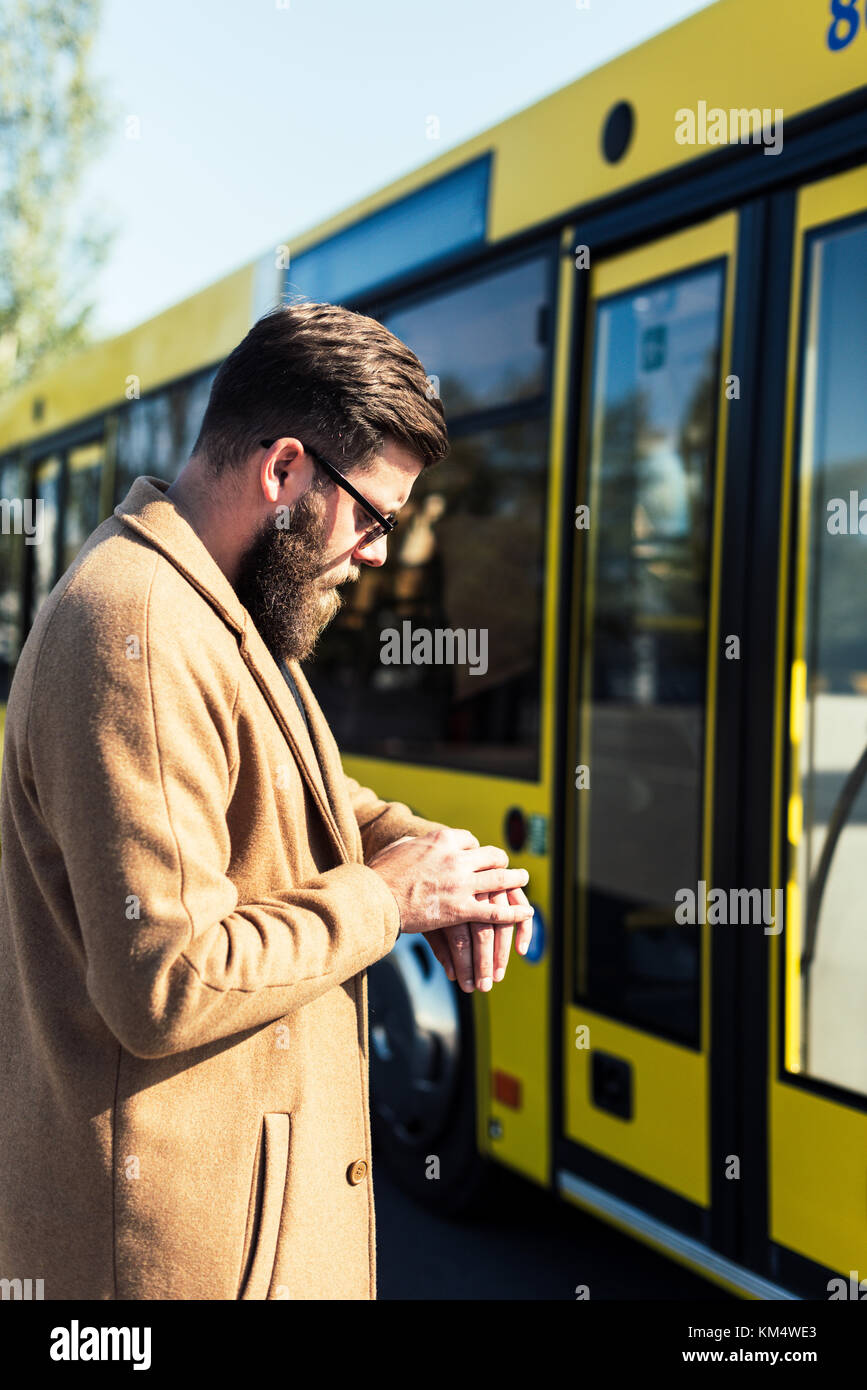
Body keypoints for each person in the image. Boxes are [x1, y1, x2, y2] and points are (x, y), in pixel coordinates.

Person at [0, 301, 533, 1301]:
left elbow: (309, 795)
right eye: (374, 516)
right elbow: (167, 980)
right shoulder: (141, 631)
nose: (379, 553)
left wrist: (441, 863)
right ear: (285, 471)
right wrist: (387, 902)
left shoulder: (218, 604)